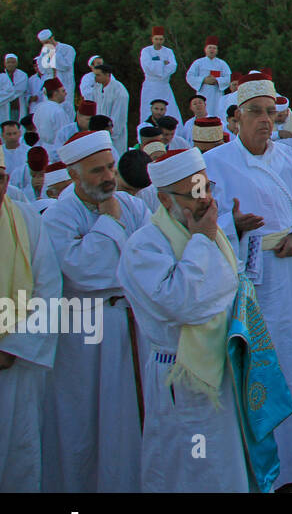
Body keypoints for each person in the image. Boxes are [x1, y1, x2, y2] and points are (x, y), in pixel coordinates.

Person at [202, 74, 292, 488]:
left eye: (270, 113)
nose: (264, 120)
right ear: (237, 118)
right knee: (251, 367)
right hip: (241, 278)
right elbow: (196, 220)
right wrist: (232, 225)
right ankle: (253, 469)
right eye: (255, 112)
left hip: (288, 275)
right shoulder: (215, 163)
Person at [118, 147, 249, 491]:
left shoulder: (209, 232)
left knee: (222, 467)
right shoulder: (144, 246)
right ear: (164, 199)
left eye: (205, 187)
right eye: (193, 193)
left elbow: (230, 287)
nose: (204, 199)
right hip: (179, 376)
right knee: (184, 471)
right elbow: (183, 303)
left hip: (218, 368)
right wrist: (201, 241)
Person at [36, 129, 148, 492]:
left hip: (131, 326)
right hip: (84, 336)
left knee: (127, 422)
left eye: (111, 167)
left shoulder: (133, 205)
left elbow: (148, 259)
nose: (109, 177)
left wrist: (116, 228)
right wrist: (111, 223)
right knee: (84, 423)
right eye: (97, 171)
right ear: (74, 175)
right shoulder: (59, 217)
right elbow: (87, 271)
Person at [0, 145, 55, 491]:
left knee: (17, 457)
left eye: (0, 177)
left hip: (14, 365)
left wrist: (12, 347)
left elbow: (47, 288)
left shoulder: (25, 219)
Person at [138, 26, 181, 124]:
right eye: (156, 39)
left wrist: (160, 71)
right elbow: (147, 66)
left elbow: (173, 66)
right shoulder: (146, 51)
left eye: (161, 39)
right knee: (148, 109)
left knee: (169, 109)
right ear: (152, 39)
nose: (158, 41)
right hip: (150, 85)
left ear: (163, 40)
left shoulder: (168, 51)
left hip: (164, 85)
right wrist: (162, 63)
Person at [87, 62, 130, 157]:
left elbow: (119, 116)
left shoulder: (119, 91)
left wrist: (109, 132)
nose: (95, 78)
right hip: (99, 133)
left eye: (98, 75)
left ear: (107, 75)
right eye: (95, 75)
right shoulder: (97, 87)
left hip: (114, 135)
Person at [34, 29, 76, 122]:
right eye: (43, 43)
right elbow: (42, 69)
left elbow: (66, 66)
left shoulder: (68, 49)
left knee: (66, 109)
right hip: (50, 86)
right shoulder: (44, 52)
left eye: (47, 42)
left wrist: (54, 54)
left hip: (64, 85)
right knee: (50, 110)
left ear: (52, 38)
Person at [185, 37, 231, 115]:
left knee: (218, 112)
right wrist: (203, 80)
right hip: (203, 92)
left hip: (217, 94)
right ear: (205, 49)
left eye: (214, 48)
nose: (212, 50)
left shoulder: (222, 64)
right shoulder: (198, 63)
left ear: (217, 50)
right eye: (210, 48)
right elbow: (189, 76)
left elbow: (228, 78)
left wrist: (217, 80)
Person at [1, 54, 29, 124]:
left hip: (17, 106)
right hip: (3, 106)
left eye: (13, 62)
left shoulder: (23, 75)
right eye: (8, 62)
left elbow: (19, 90)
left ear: (17, 63)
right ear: (5, 63)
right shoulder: (1, 75)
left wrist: (7, 93)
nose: (11, 64)